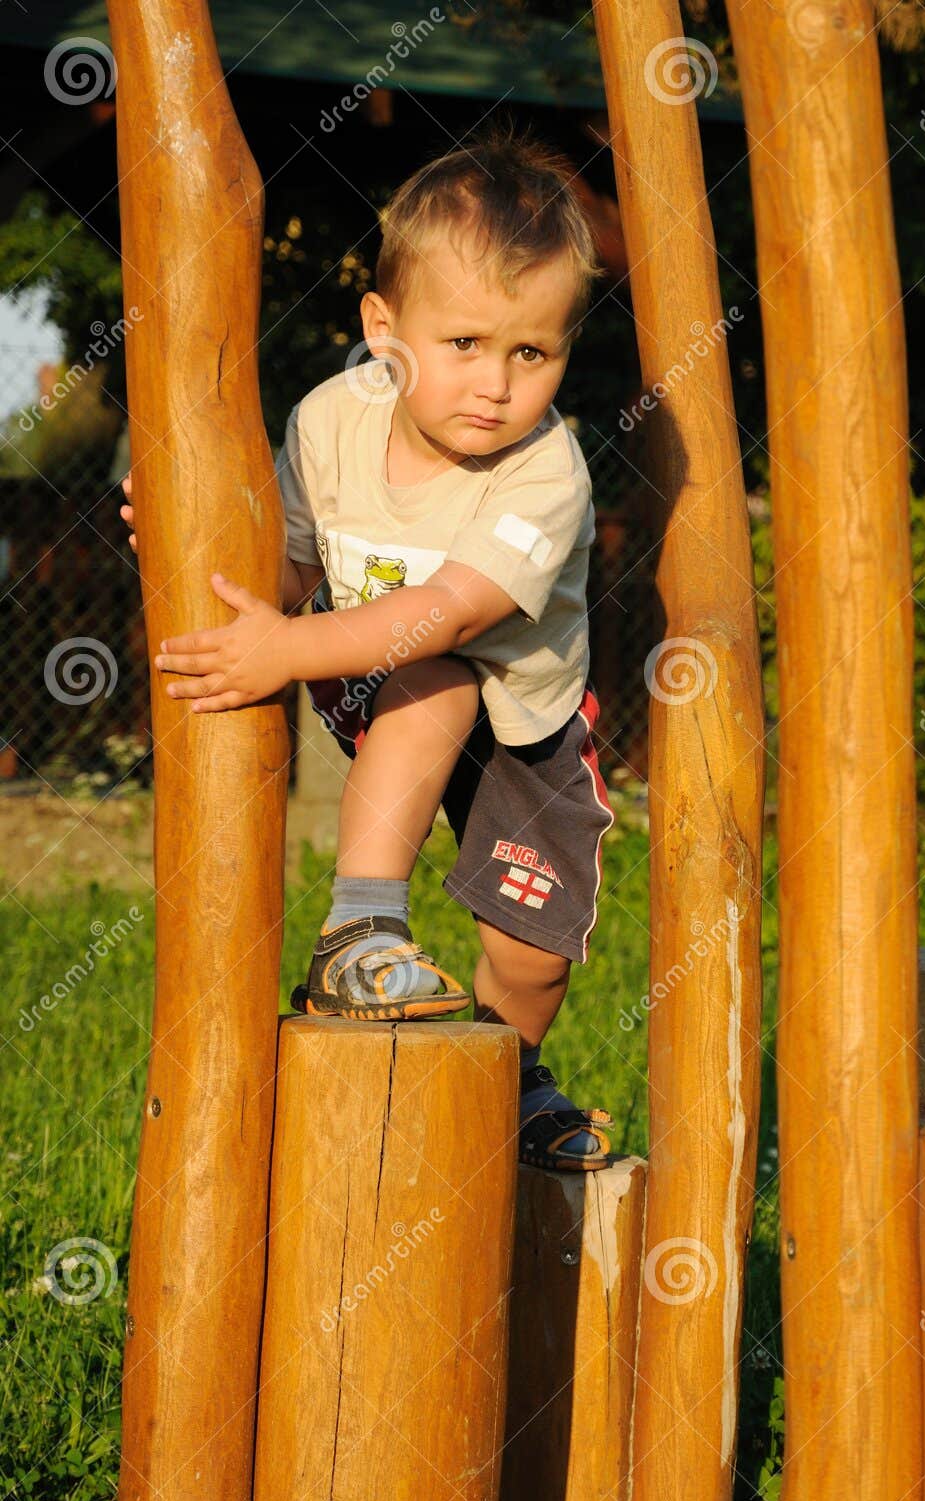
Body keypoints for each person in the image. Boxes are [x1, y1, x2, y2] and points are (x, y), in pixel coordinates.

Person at [120, 122, 616, 1173]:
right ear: (384, 332)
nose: (495, 385)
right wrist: (183, 531)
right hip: (385, 680)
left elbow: (453, 611)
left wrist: (287, 651)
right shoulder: (329, 423)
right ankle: (358, 931)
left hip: (521, 724)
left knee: (529, 958)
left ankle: (513, 1073)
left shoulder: (545, 471)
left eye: (532, 352)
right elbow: (290, 571)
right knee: (428, 682)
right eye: (464, 345)